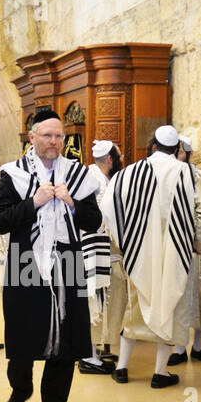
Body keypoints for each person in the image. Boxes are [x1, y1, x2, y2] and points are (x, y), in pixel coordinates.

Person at [0, 107, 102, 402]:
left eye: (58, 136)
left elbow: (94, 222)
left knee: (67, 335)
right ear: (32, 137)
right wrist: (32, 203)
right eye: (47, 135)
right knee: (25, 333)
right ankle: (19, 390)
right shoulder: (13, 174)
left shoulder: (79, 176)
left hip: (67, 263)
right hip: (25, 264)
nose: (53, 141)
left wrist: (73, 204)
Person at [100, 125, 201, 389]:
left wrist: (123, 241)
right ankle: (160, 373)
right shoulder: (188, 173)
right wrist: (198, 244)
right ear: (176, 150)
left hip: (139, 252)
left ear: (152, 147)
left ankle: (122, 368)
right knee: (171, 306)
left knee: (135, 308)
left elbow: (108, 206)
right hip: (176, 252)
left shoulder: (129, 173)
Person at [167, 134, 201, 367]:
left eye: (180, 152)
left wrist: (200, 242)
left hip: (196, 247)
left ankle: (197, 345)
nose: (177, 156)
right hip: (173, 247)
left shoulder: (198, 177)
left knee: (198, 297)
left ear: (189, 154)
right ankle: (179, 346)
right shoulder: (169, 176)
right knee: (177, 296)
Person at [78, 140, 123, 375]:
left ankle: (94, 351)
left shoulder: (99, 178)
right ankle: (88, 356)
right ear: (109, 160)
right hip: (93, 250)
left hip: (101, 251)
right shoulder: (93, 182)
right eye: (119, 156)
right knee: (92, 301)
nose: (122, 159)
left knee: (100, 301)